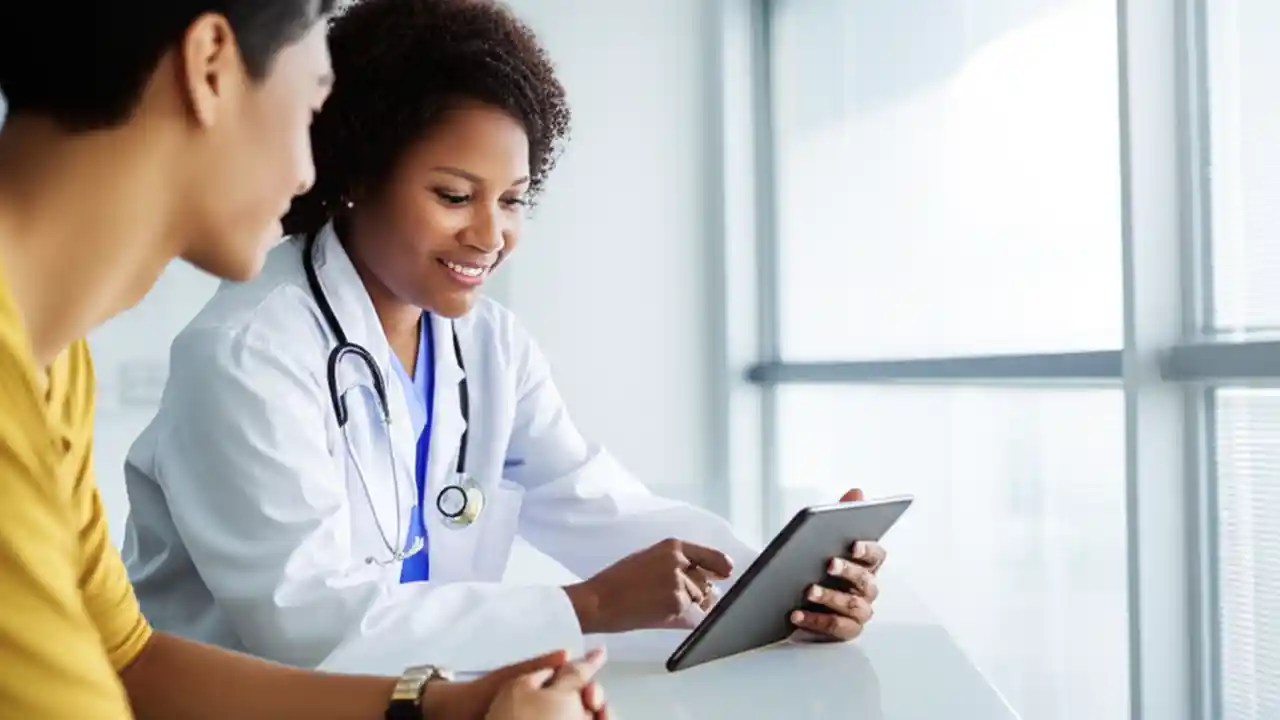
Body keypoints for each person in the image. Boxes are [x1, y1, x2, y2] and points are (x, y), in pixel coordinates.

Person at [121, 0, 889, 677]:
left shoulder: (487, 347)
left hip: (420, 694)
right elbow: (308, 630)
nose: (491, 235)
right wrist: (586, 603)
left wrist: (784, 584)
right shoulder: (248, 351)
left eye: (514, 200)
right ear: (355, 171)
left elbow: (598, 505)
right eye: (455, 195)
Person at [0, 1, 607, 718]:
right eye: (313, 102)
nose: (308, 169)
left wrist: (452, 707)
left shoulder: (53, 364)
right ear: (210, 67)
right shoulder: (226, 346)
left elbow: (127, 655)